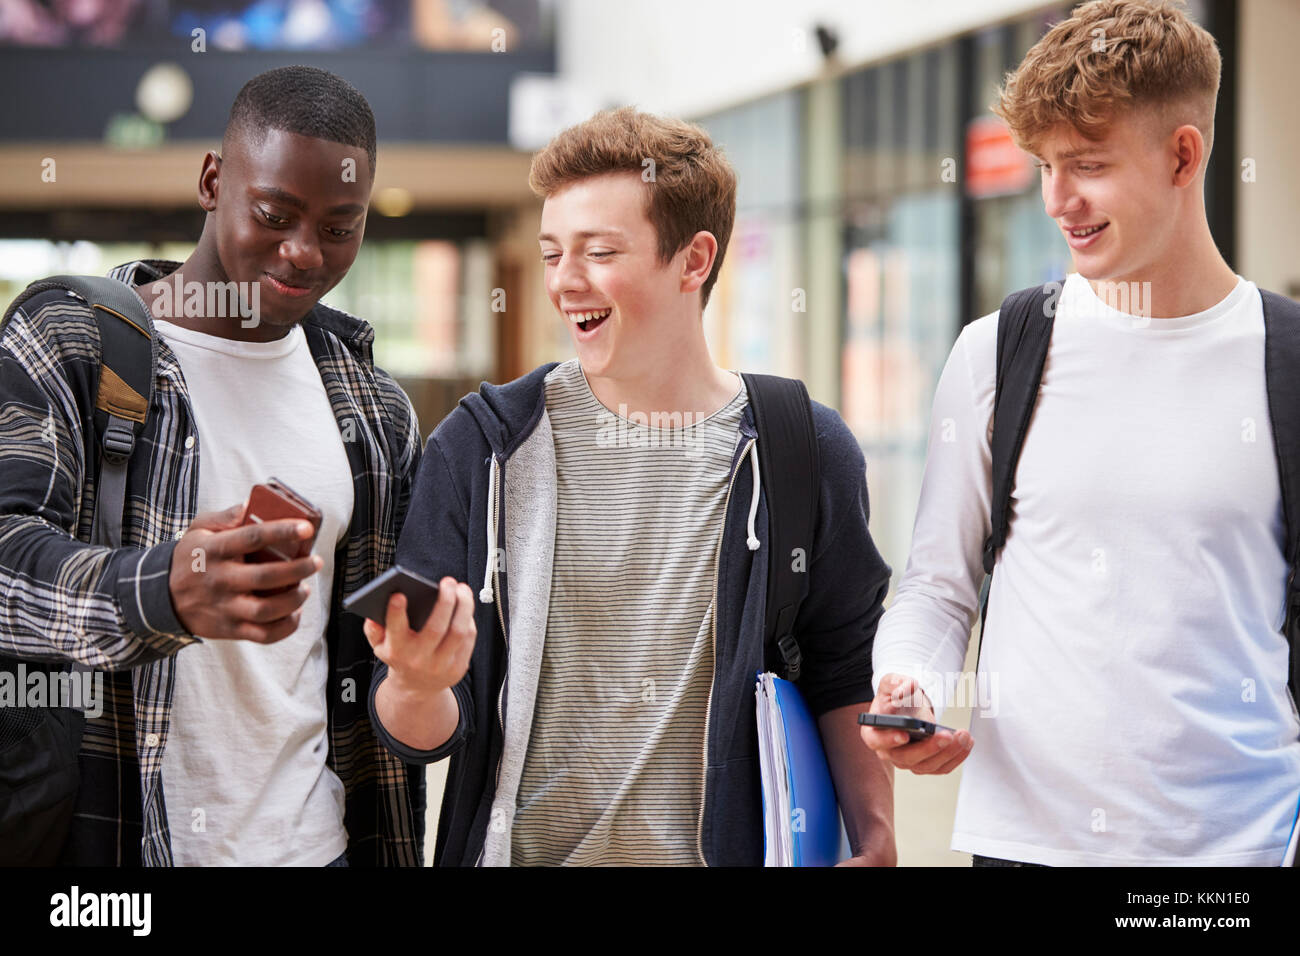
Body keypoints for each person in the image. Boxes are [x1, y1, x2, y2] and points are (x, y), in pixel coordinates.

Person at [364, 106, 896, 866]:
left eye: (599, 251)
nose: (564, 282)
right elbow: (424, 732)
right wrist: (415, 684)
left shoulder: (801, 448)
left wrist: (877, 837)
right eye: (552, 253)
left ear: (694, 260)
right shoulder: (482, 449)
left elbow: (842, 667)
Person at [861, 0, 1300, 866]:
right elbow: (939, 587)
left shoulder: (1285, 362)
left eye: (1088, 166)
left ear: (1184, 154)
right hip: (1028, 845)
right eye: (1046, 166)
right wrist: (909, 682)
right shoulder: (1000, 350)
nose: (1058, 200)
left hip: (1239, 855)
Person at [0, 65, 424, 866]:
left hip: (315, 847)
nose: (304, 252)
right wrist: (163, 591)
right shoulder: (73, 340)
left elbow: (372, 666)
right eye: (274, 214)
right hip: (120, 855)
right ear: (211, 180)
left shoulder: (373, 409)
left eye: (340, 227)